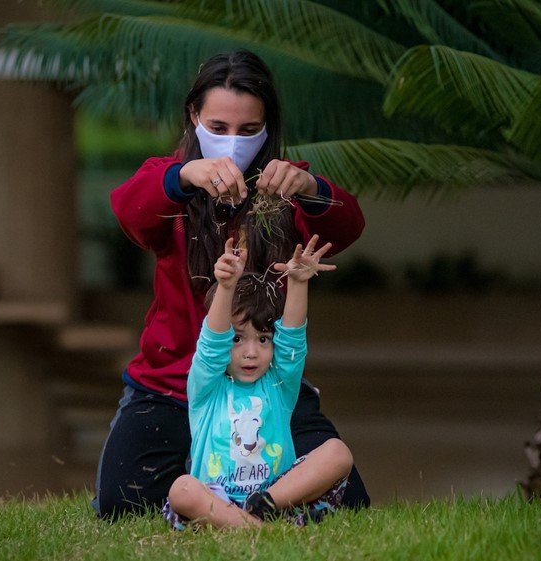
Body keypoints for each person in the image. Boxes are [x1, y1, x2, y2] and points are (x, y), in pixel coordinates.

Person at [93, 50, 369, 519]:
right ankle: (213, 487)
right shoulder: (168, 181)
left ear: (268, 127)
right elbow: (128, 211)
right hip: (173, 385)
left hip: (264, 385)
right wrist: (183, 175)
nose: (231, 143)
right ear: (193, 116)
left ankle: (245, 498)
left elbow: (349, 226)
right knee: (120, 504)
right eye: (217, 128)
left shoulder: (284, 187)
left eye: (248, 130)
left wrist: (310, 186)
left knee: (351, 500)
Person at [164, 235, 353, 529]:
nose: (250, 353)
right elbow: (212, 346)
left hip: (275, 497)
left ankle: (261, 511)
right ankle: (255, 528)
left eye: (263, 339)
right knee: (182, 489)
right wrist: (226, 287)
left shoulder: (278, 385)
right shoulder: (207, 388)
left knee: (338, 453)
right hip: (216, 498)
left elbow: (292, 342)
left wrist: (298, 283)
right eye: (237, 339)